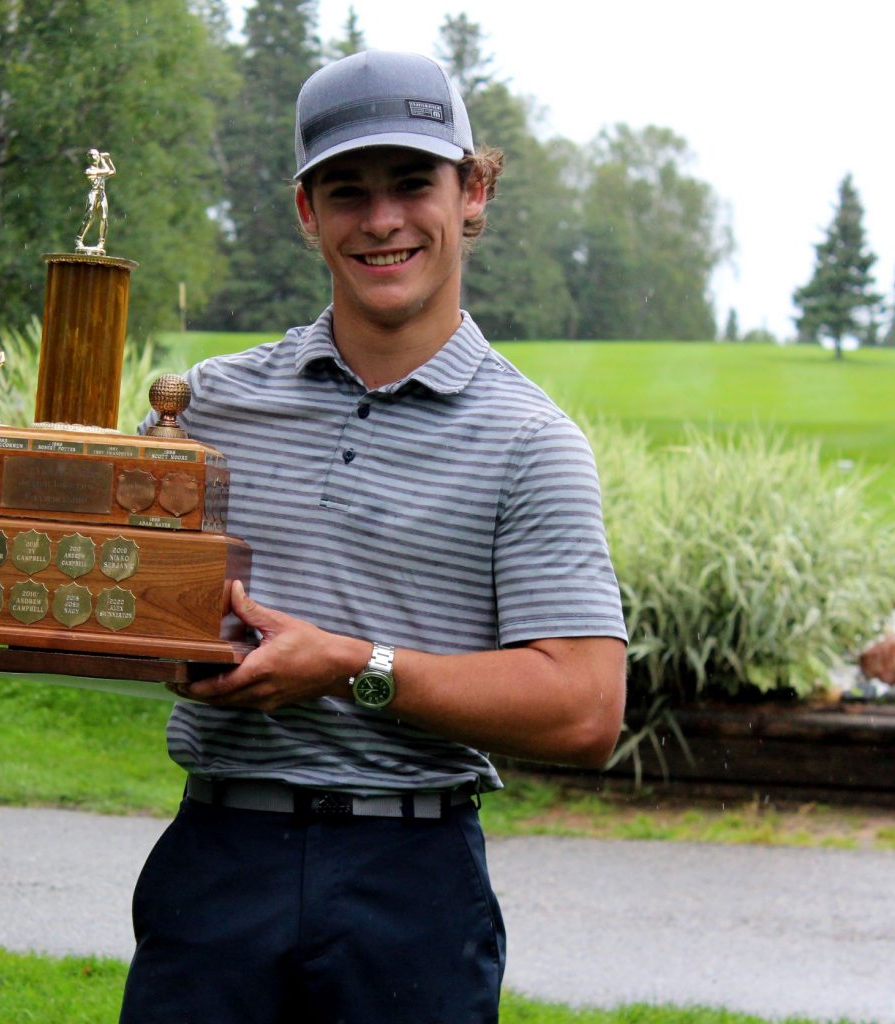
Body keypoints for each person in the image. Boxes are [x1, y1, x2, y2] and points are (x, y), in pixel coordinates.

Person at [120, 50, 628, 1024]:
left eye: (412, 183)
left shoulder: (533, 443)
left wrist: (356, 664)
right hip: (217, 866)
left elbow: (584, 707)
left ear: (472, 191)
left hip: (411, 888)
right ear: (307, 210)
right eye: (347, 190)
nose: (383, 219)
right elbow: (122, 601)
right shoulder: (210, 408)